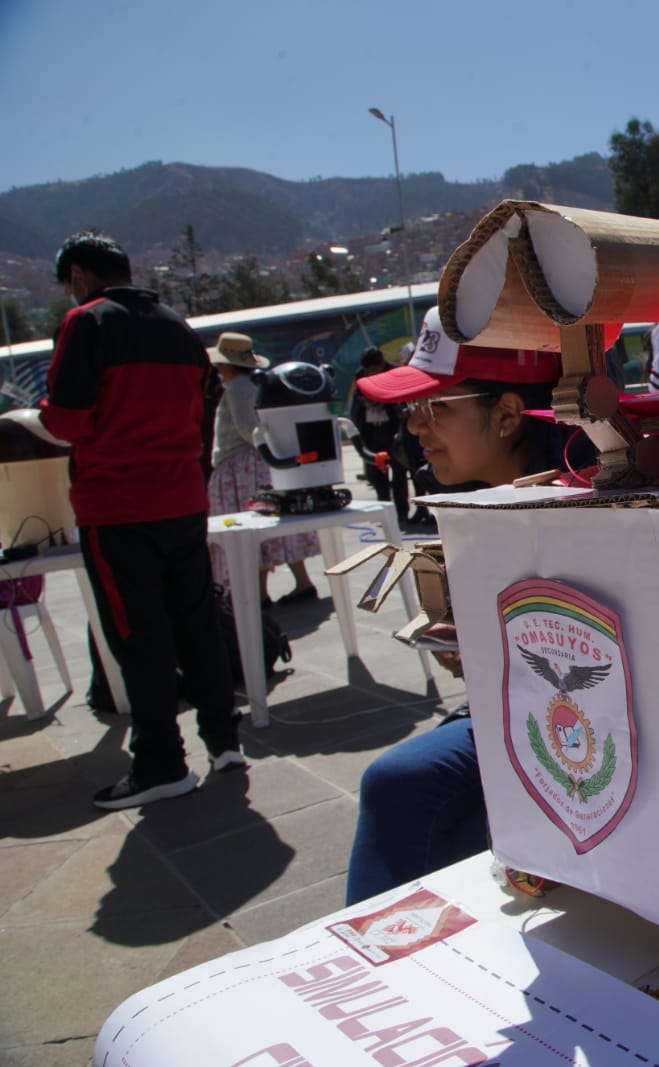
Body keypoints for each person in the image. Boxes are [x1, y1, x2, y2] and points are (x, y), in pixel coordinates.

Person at [345, 306, 583, 903]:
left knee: (403, 785)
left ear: (507, 414)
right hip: (528, 713)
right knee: (401, 785)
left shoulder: (593, 504)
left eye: (434, 406)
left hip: (586, 729)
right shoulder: (487, 504)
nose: (413, 426)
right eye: (411, 407)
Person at [41, 231, 242, 809]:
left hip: (118, 505)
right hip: (182, 498)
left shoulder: (86, 321)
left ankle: (161, 764)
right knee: (196, 622)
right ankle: (224, 741)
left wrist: (46, 415)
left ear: (79, 276)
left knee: (139, 635)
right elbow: (204, 412)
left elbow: (68, 420)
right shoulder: (179, 327)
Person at [206, 332, 320, 605]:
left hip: (242, 464)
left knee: (249, 527)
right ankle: (299, 583)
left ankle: (259, 593)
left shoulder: (238, 388)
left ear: (227, 364)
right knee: (273, 525)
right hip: (256, 462)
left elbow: (248, 429)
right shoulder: (252, 384)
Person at [348, 346, 410, 521]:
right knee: (377, 473)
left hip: (392, 430)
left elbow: (401, 397)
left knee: (399, 472)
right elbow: (357, 399)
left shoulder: (394, 372)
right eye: (369, 370)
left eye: (375, 368)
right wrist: (365, 401)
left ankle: (402, 513)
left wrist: (386, 402)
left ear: (382, 364)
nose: (372, 373)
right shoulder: (360, 376)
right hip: (372, 430)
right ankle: (385, 511)